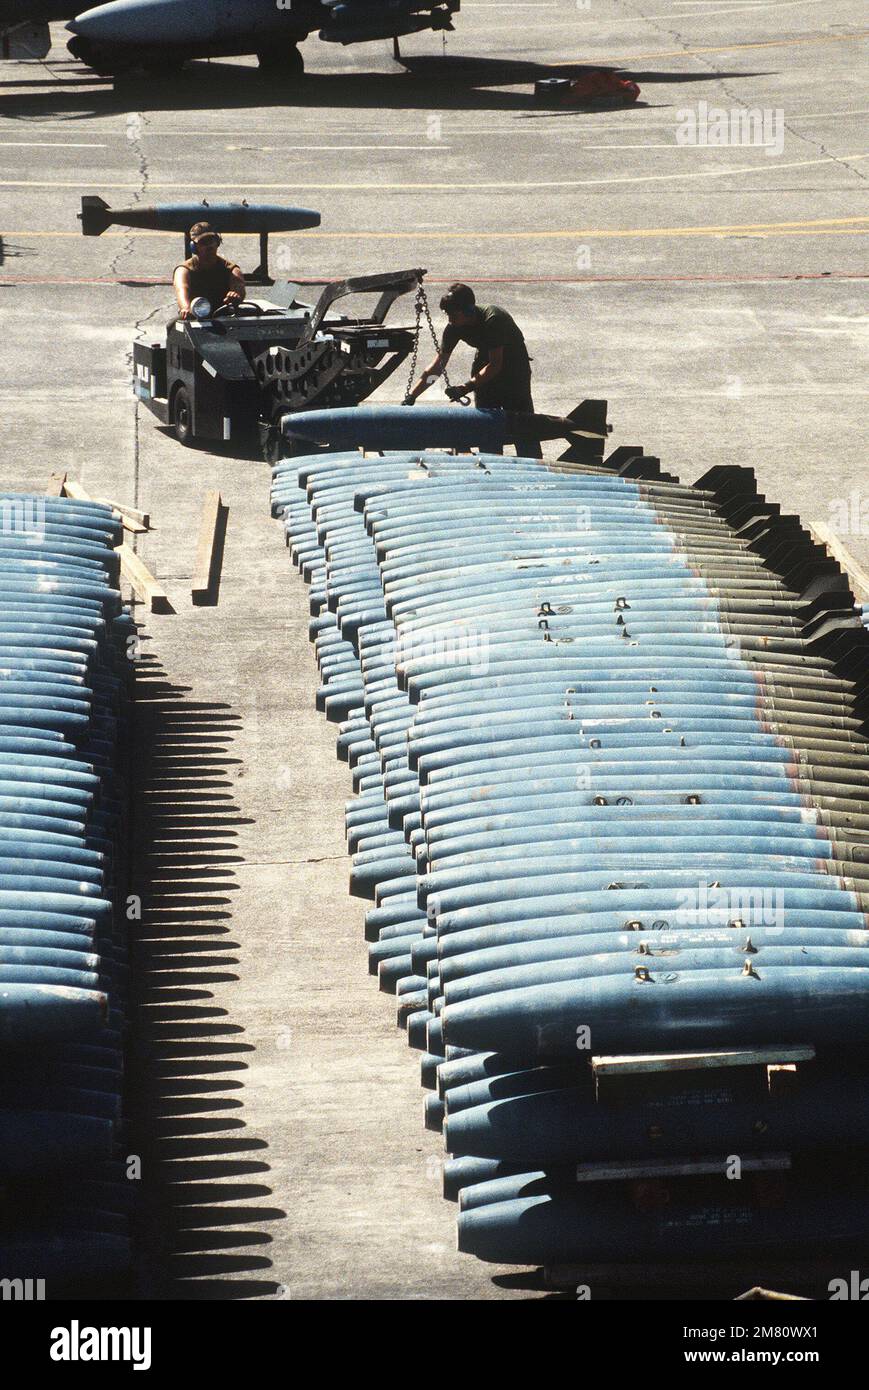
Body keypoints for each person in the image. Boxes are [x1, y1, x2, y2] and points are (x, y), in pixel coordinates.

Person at [405, 282, 535, 412]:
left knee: (520, 419)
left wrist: (465, 388)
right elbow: (438, 366)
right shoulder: (454, 328)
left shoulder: (493, 320)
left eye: (454, 315)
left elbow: (495, 364)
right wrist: (412, 396)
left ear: (469, 311)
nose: (450, 320)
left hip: (514, 368)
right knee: (485, 418)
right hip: (485, 362)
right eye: (447, 315)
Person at [173, 222, 246, 319]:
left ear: (217, 243)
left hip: (225, 316)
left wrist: (235, 295)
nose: (209, 246)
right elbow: (182, 289)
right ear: (194, 247)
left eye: (211, 241)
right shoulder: (184, 270)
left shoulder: (232, 270)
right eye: (203, 242)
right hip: (195, 315)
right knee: (172, 325)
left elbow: (239, 289)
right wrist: (186, 308)